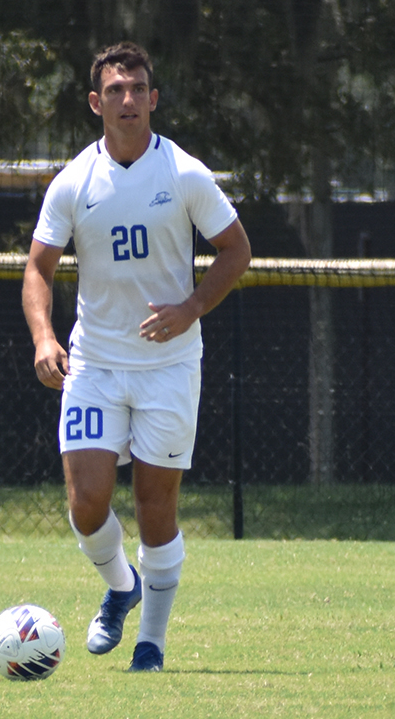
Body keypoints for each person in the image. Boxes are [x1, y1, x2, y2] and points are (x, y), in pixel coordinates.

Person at [21, 42, 253, 673]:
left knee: (156, 507)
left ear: (153, 99)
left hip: (168, 368)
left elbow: (237, 250)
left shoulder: (184, 174)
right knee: (86, 503)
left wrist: (192, 307)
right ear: (96, 103)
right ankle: (122, 587)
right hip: (95, 366)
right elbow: (38, 268)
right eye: (115, 90)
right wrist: (44, 337)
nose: (128, 99)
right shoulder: (74, 182)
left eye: (138, 89)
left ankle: (150, 644)